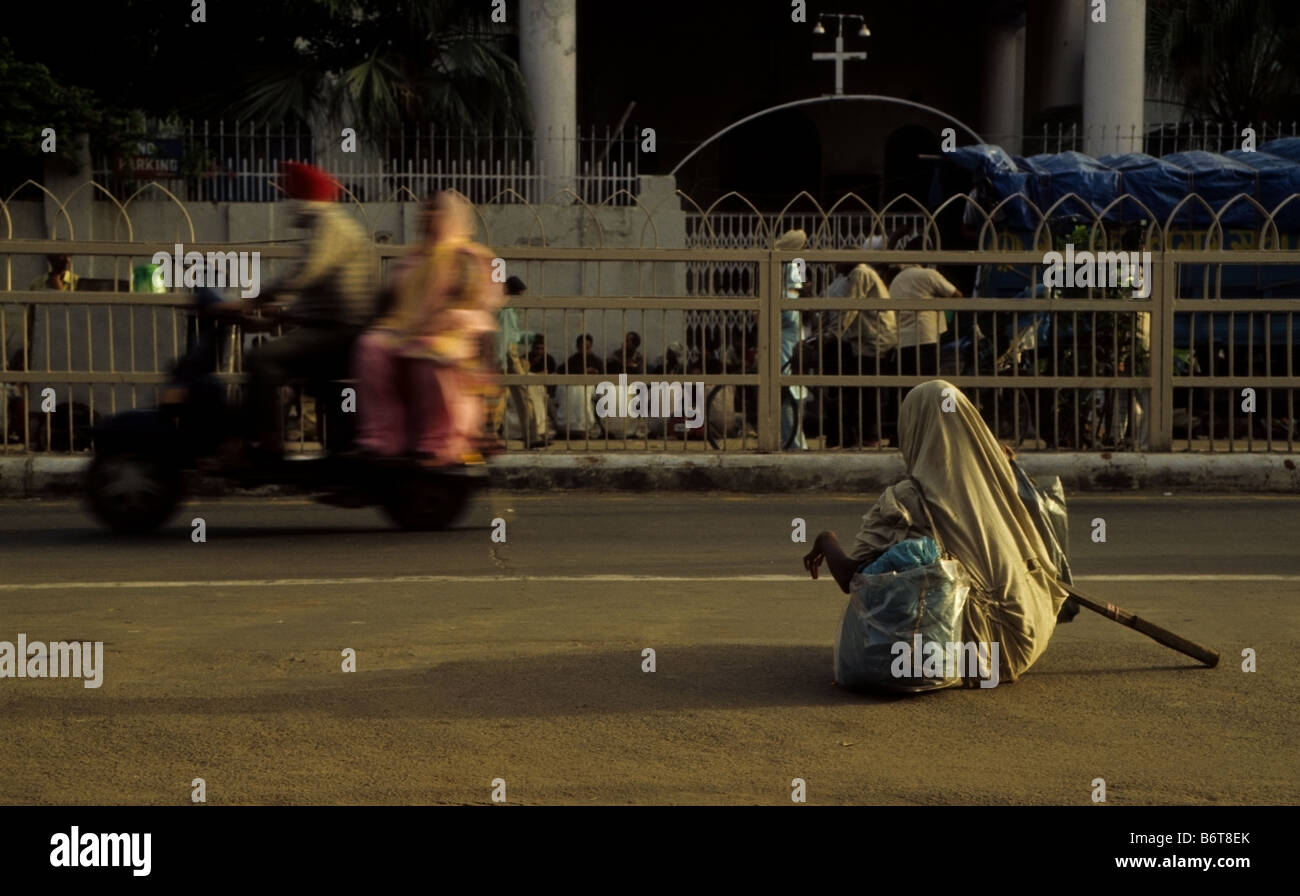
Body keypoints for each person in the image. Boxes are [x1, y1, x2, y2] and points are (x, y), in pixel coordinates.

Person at [802, 380, 1069, 685]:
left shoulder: (905, 499)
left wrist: (826, 539)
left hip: (978, 654)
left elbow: (851, 579)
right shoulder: (1002, 475)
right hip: (1025, 636)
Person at [223, 162, 377, 460]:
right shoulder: (324, 227)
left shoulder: (331, 226)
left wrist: (251, 302)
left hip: (341, 332)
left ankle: (265, 446)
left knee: (263, 359)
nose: (285, 206)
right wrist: (271, 317)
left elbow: (305, 275)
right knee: (300, 373)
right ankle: (332, 449)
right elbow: (315, 294)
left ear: (301, 199)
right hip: (332, 328)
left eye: (288, 196)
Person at [352, 191, 502, 465]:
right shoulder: (411, 260)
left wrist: (448, 322)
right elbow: (393, 304)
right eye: (426, 210)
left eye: (437, 211)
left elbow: (477, 304)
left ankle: (440, 442)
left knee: (428, 353)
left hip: (454, 335)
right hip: (405, 333)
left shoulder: (469, 257)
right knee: (370, 347)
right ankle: (383, 438)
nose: (428, 216)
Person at [821, 257, 895, 447]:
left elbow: (851, 306)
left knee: (869, 389)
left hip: (874, 338)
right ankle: (863, 436)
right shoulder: (856, 274)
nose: (836, 266)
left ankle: (871, 437)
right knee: (863, 389)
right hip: (866, 338)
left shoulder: (860, 273)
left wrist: (834, 334)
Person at [776, 228, 808, 450]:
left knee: (788, 391)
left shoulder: (785, 265)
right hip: (787, 334)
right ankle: (794, 443)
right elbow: (794, 297)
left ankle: (794, 443)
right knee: (786, 391)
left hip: (787, 334)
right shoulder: (793, 265)